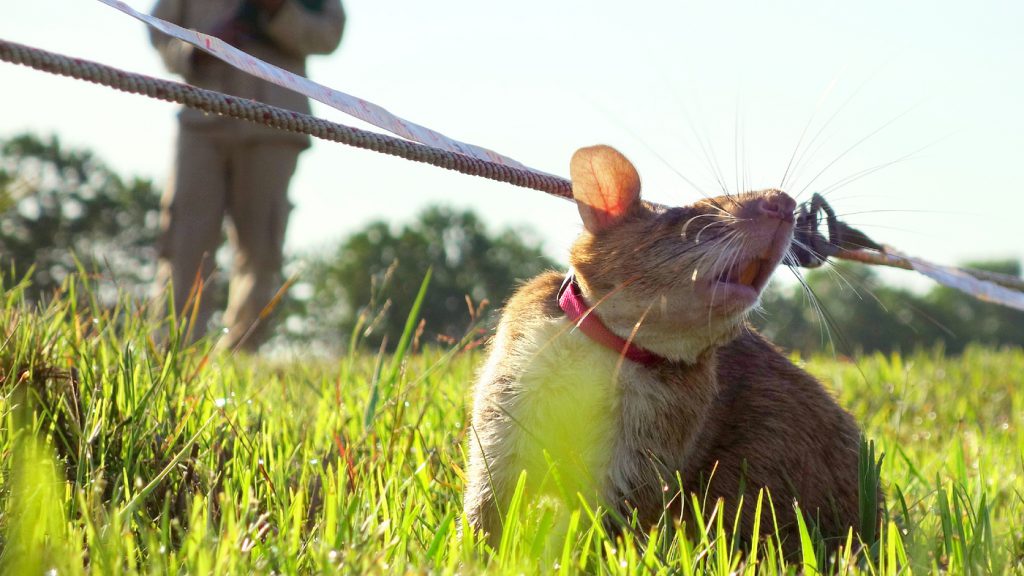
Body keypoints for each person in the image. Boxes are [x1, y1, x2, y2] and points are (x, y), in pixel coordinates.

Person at [149, 0, 345, 351]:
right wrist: (191, 55)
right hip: (201, 116)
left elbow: (329, 33)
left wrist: (277, 12)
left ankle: (240, 354)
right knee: (184, 240)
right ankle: (172, 353)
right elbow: (160, 27)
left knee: (261, 246)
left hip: (274, 120)